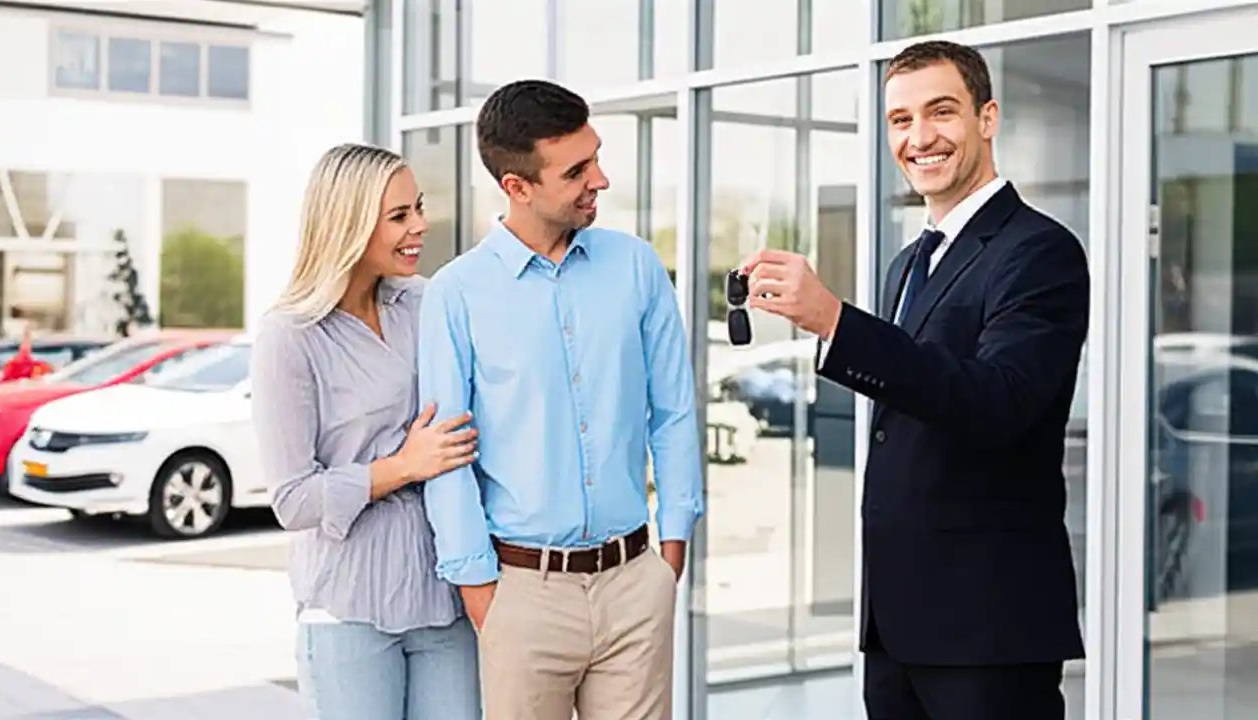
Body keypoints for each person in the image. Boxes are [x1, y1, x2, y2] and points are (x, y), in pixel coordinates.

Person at [738, 40, 1088, 719]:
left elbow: (999, 400)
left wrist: (837, 322)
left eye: (941, 112)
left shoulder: (1039, 250)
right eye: (900, 120)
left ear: (987, 118)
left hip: (987, 628)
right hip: (898, 628)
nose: (919, 137)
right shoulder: (909, 261)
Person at [417, 79, 703, 720]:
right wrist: (479, 590)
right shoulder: (456, 294)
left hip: (634, 580)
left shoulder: (635, 266)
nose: (598, 179)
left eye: (595, 157)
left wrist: (674, 543)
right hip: (521, 594)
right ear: (516, 186)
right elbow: (446, 452)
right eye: (576, 170)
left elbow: (674, 410)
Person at [250, 143, 483, 720]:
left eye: (419, 209)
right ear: (349, 224)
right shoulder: (291, 336)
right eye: (399, 216)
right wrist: (403, 466)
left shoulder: (425, 303)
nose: (420, 227)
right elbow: (292, 499)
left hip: (442, 596)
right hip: (347, 607)